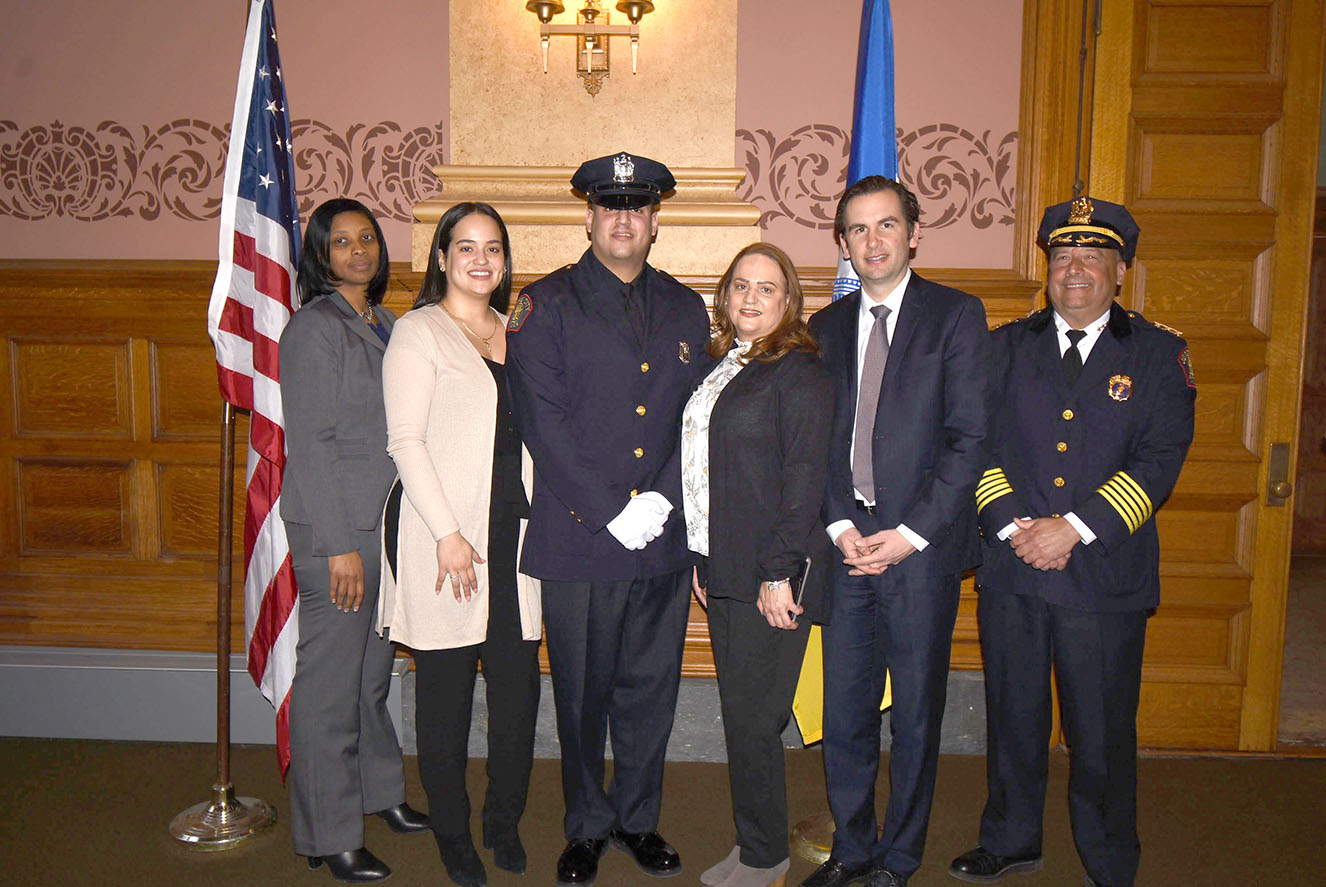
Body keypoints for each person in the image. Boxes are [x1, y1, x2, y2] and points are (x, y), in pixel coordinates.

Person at [947, 197, 1195, 887]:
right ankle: (1012, 837)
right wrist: (1011, 525)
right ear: (1047, 270)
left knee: (1102, 732)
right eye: (1062, 258)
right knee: (1013, 717)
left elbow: (1160, 458)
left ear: (1121, 269)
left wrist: (1074, 527)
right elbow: (977, 443)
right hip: (1013, 567)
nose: (1076, 270)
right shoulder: (1004, 347)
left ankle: (1111, 858)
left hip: (1102, 574)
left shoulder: (1157, 354)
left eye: (1092, 257)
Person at [505, 151, 712, 887]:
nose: (625, 218)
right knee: (584, 695)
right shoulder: (544, 304)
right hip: (580, 538)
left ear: (656, 220)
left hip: (659, 539)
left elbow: (696, 418)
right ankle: (587, 825)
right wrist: (609, 510)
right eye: (610, 206)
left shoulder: (689, 308)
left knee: (649, 691)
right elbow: (543, 423)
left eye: (639, 207)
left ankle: (637, 817)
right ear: (588, 216)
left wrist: (658, 500)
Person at [804, 176, 991, 887]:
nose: (873, 240)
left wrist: (910, 533)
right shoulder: (823, 329)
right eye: (857, 229)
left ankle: (899, 858)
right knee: (845, 711)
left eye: (886, 225)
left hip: (920, 552)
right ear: (843, 243)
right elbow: (815, 442)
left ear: (914, 233)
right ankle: (852, 848)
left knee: (914, 715)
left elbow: (969, 440)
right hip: (849, 549)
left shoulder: (956, 316)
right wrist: (842, 523)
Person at [379, 202, 542, 887]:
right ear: (441, 257)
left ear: (505, 261)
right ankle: (453, 832)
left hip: (517, 543)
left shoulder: (519, 332)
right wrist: (447, 533)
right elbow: (404, 439)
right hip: (444, 537)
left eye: (494, 248)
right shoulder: (418, 331)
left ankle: (502, 821)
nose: (481, 259)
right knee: (444, 704)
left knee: (516, 700)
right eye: (466, 246)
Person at [279, 197, 429, 884]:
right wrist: (339, 543)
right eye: (341, 241)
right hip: (337, 531)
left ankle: (378, 793)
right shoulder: (313, 328)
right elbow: (308, 442)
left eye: (367, 238)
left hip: (381, 526)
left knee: (372, 677)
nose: (358, 250)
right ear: (320, 253)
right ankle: (328, 831)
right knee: (330, 690)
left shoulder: (386, 321)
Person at [682, 243, 835, 887]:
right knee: (745, 716)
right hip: (727, 567)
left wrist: (779, 572)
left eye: (767, 288)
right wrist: (702, 553)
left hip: (771, 576)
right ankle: (755, 846)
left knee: (754, 719)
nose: (751, 298)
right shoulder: (728, 365)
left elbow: (804, 480)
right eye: (741, 285)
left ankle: (766, 855)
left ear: (789, 302)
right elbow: (708, 471)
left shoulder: (799, 372)